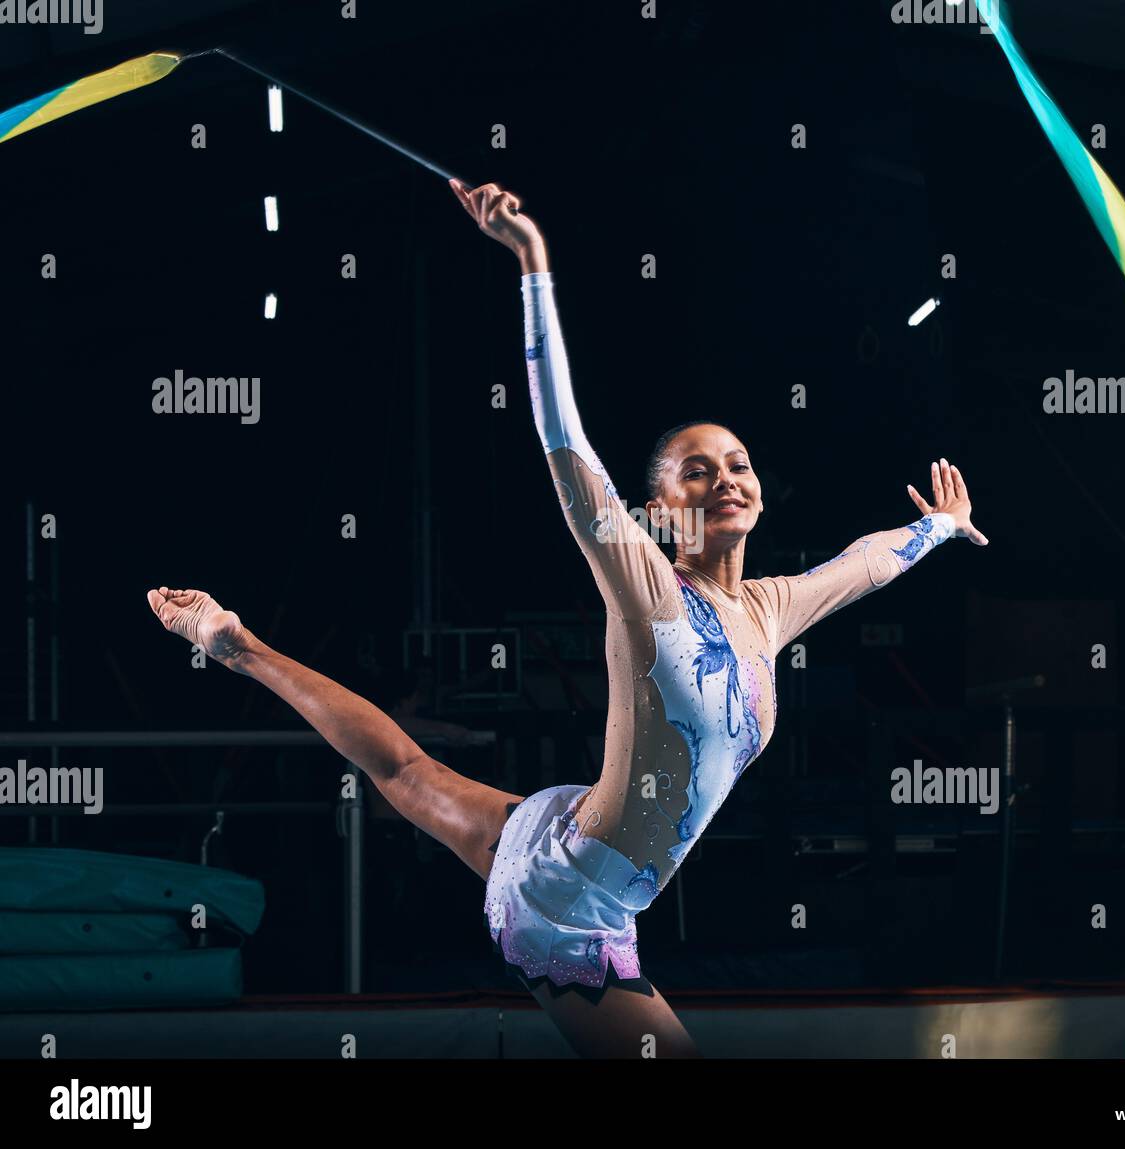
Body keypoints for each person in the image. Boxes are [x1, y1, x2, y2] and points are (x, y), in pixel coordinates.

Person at [145, 178, 987, 1058]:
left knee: (402, 769)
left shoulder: (767, 609)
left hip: (554, 829)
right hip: (572, 911)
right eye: (697, 472)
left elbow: (858, 566)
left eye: (737, 463)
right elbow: (565, 443)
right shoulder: (652, 591)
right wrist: (532, 261)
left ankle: (238, 646)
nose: (726, 478)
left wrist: (938, 527)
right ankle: (241, 649)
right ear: (660, 512)